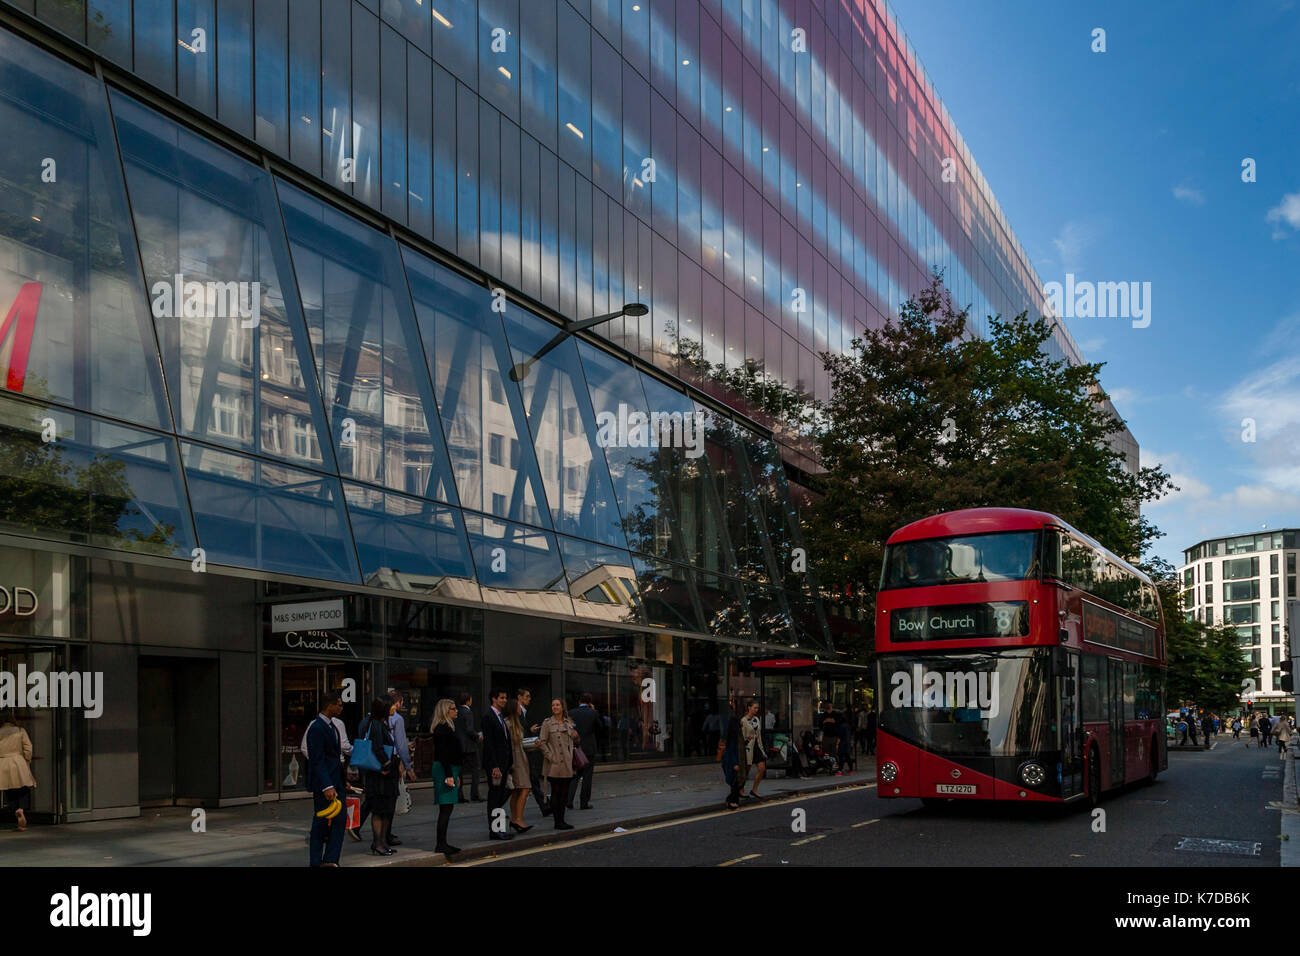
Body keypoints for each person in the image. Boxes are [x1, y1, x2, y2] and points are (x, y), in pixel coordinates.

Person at [305, 692, 346, 866]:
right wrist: (326, 785)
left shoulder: (332, 726)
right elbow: (317, 760)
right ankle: (315, 861)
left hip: (337, 782)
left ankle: (330, 859)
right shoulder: (316, 728)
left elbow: (334, 758)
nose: (341, 708)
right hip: (325, 785)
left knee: (339, 821)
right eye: (339, 704)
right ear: (329, 705)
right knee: (320, 824)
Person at [359, 696, 401, 855]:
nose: (394, 708)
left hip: (382, 775)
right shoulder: (376, 724)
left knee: (385, 810)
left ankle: (382, 842)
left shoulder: (378, 723)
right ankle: (378, 843)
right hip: (381, 776)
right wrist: (387, 764)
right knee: (380, 810)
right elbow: (377, 748)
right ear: (384, 709)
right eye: (391, 706)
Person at [538, 698, 578, 831]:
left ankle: (562, 820)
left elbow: (574, 741)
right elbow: (542, 742)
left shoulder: (569, 722)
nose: (555, 707)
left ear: (562, 707)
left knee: (564, 793)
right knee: (555, 791)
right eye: (553, 705)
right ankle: (557, 822)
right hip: (554, 764)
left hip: (567, 764)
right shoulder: (547, 723)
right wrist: (550, 756)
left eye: (557, 705)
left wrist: (576, 736)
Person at [430, 698, 462, 855]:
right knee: (446, 808)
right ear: (445, 711)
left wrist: (456, 775)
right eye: (453, 708)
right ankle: (441, 844)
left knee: (447, 808)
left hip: (449, 769)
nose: (456, 711)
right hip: (444, 769)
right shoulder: (443, 729)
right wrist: (449, 775)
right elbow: (444, 754)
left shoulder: (447, 728)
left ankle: (442, 843)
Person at [481, 688, 514, 841]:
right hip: (495, 765)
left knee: (500, 795)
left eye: (505, 697)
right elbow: (489, 744)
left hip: (504, 763)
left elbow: (505, 742)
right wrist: (494, 766)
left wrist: (510, 762)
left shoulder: (500, 717)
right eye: (501, 697)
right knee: (495, 797)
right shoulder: (488, 717)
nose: (504, 700)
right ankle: (494, 831)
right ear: (494, 699)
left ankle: (499, 828)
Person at [0, 709, 36, 832]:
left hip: (3, 762)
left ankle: (16, 810)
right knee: (24, 788)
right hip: (18, 761)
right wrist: (26, 761)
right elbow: (28, 748)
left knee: (9, 790)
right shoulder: (20, 731)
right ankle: (21, 809)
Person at [517, 688, 550, 817]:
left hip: (525, 753)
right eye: (527, 696)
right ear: (519, 697)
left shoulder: (523, 713)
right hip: (522, 754)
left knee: (533, 779)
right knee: (530, 780)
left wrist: (530, 731)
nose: (529, 699)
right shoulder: (518, 712)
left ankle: (545, 806)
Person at [568, 693, 602, 810]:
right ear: (590, 702)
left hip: (575, 747)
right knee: (587, 776)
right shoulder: (593, 713)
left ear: (579, 701)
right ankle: (584, 802)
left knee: (574, 775)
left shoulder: (571, 712)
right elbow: (600, 728)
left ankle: (569, 800)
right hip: (589, 748)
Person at [504, 698, 533, 833]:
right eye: (518, 706)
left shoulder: (516, 724)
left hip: (520, 758)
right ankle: (518, 819)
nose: (521, 709)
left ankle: (514, 819)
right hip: (516, 761)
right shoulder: (508, 724)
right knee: (525, 788)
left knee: (516, 791)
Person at [454, 692, 483, 803]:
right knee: (475, 769)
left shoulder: (457, 711)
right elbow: (469, 730)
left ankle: (459, 795)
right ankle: (474, 794)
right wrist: (478, 736)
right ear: (468, 700)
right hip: (469, 746)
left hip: (458, 746)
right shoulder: (468, 712)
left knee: (459, 771)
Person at [740, 700, 768, 800]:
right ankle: (741, 789)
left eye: (757, 708)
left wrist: (762, 749)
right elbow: (742, 736)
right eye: (755, 708)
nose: (756, 710)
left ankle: (754, 789)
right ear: (749, 708)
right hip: (748, 748)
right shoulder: (743, 721)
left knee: (762, 769)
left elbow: (759, 735)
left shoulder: (757, 719)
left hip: (757, 747)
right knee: (746, 771)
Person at [721, 701, 743, 809]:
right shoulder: (734, 737)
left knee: (736, 782)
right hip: (731, 762)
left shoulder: (735, 735)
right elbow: (731, 751)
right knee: (735, 782)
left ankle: (733, 800)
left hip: (734, 761)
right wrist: (735, 763)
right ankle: (731, 800)